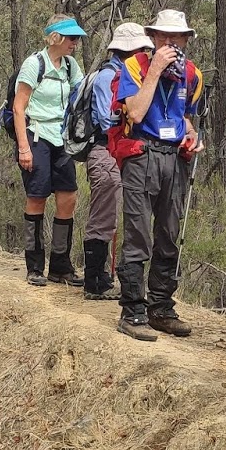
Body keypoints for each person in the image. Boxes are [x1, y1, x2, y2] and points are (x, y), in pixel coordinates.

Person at [110, 9, 206, 341]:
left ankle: (161, 306)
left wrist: (192, 135)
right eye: (163, 36)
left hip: (174, 159)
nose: (169, 43)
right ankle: (132, 310)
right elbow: (134, 112)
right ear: (152, 38)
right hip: (141, 153)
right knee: (138, 233)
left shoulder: (192, 75)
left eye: (176, 37)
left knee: (169, 233)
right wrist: (155, 70)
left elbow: (186, 117)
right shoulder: (134, 67)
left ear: (186, 40)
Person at [12, 15, 88, 287]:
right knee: (37, 196)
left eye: (77, 39)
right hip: (36, 135)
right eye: (71, 38)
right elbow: (19, 107)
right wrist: (24, 148)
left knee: (68, 197)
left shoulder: (70, 66)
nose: (75, 44)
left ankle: (60, 265)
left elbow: (82, 94)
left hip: (62, 138)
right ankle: (34, 266)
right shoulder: (35, 64)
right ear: (55, 37)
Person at [82, 23, 153, 300]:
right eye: (140, 49)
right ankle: (94, 281)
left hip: (121, 150)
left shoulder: (129, 75)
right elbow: (105, 118)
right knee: (103, 214)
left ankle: (105, 278)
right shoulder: (106, 77)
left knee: (115, 215)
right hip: (103, 149)